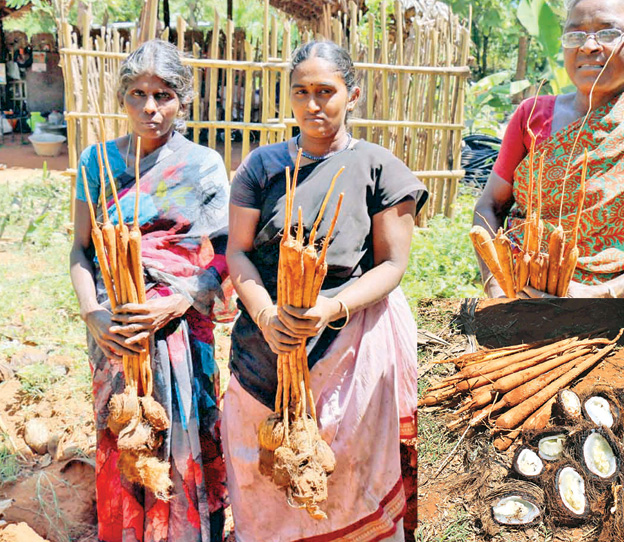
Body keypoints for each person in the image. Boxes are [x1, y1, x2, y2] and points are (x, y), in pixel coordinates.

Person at [223, 41, 426, 541]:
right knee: (264, 472)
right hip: (263, 344)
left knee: (344, 472)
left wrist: (331, 306)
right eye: (301, 92)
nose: (314, 104)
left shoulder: (380, 168)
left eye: (326, 91)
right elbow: (238, 253)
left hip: (347, 343)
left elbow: (392, 266)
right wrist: (269, 316)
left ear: (352, 94)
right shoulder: (262, 167)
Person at [69, 40, 229, 542]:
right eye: (137, 94)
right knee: (125, 433)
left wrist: (181, 299)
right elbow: (80, 249)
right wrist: (93, 313)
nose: (150, 108)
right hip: (116, 331)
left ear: (183, 99)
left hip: (181, 325)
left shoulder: (204, 165)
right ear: (123, 98)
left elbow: (226, 254)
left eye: (163, 94)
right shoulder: (96, 164)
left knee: (185, 435)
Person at [474, 0, 624, 298]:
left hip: (612, 319)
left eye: (608, 34)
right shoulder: (532, 116)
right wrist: (496, 287)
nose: (589, 46)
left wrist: (602, 294)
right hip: (520, 298)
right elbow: (489, 205)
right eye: (575, 35)